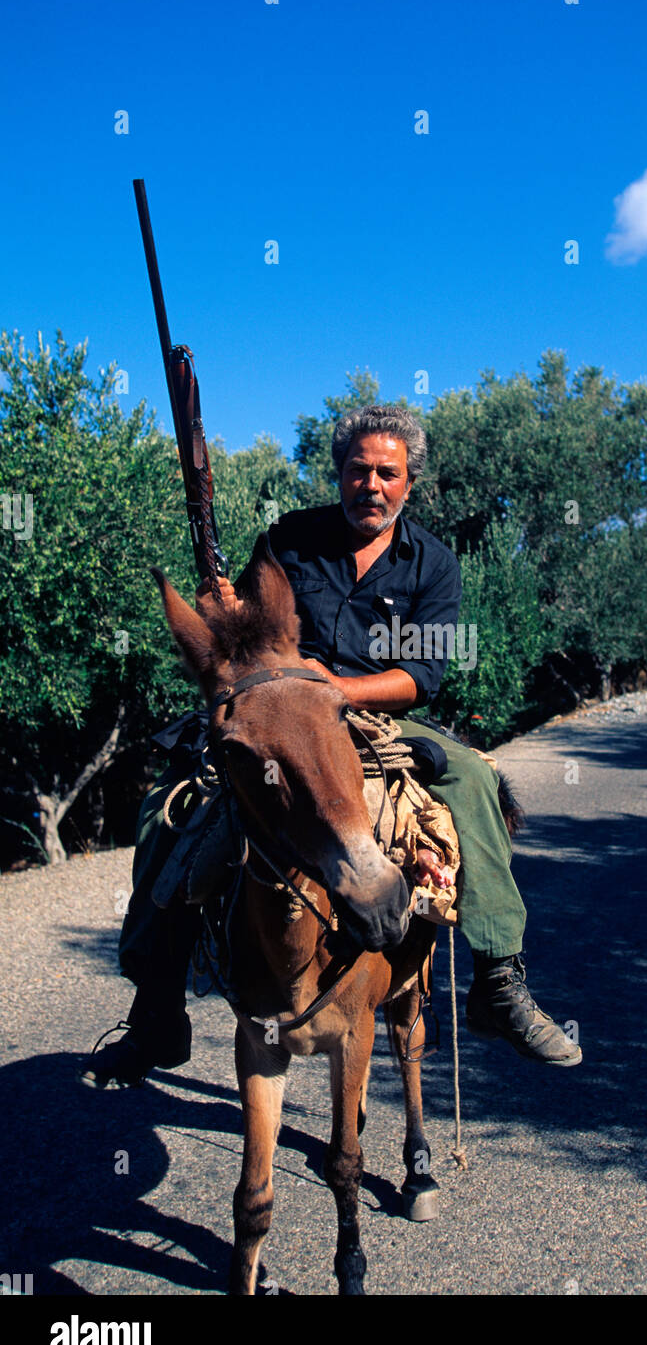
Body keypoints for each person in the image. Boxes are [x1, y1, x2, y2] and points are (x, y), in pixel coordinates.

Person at [80, 405, 582, 1088]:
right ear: (339, 474)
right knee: (172, 803)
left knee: (470, 777)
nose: (371, 485)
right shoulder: (288, 540)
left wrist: (340, 688)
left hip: (373, 711)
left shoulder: (432, 564)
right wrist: (222, 611)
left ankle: (499, 977)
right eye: (358, 470)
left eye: (387, 473)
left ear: (410, 483)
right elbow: (248, 638)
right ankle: (157, 1011)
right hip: (281, 715)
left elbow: (420, 677)